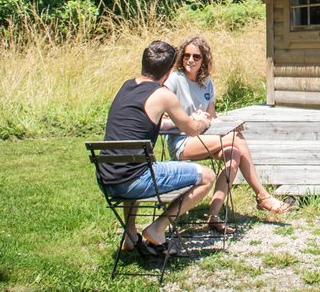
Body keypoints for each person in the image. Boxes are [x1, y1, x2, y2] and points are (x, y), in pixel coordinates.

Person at [100, 40, 215, 256]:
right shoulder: (163, 94)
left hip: (108, 178)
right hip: (135, 180)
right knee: (207, 176)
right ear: (169, 71)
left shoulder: (125, 86)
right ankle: (157, 228)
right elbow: (192, 130)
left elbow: (145, 122)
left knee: (133, 163)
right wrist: (203, 120)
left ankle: (130, 234)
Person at [163, 35, 290, 231]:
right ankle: (262, 195)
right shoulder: (174, 80)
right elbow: (163, 116)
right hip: (182, 141)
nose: (190, 60)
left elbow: (212, 118)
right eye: (186, 55)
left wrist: (230, 125)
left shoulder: (206, 82)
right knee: (236, 139)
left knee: (234, 153)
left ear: (204, 59)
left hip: (204, 138)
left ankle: (214, 215)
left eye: (196, 57)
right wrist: (190, 120)